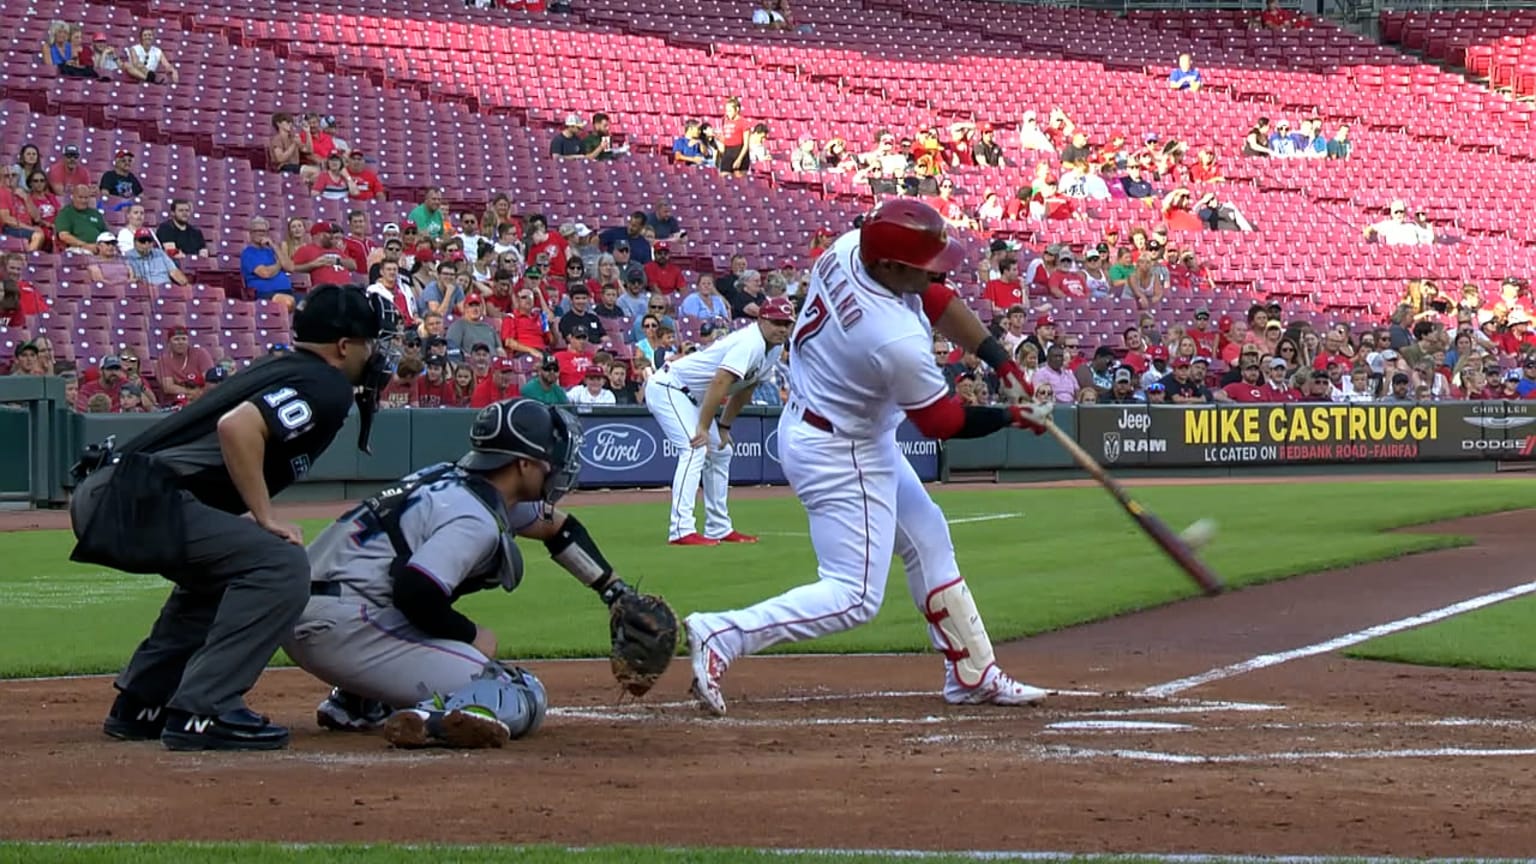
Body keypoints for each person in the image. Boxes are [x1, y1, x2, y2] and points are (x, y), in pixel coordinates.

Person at [684, 199, 1053, 715]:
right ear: (890, 266)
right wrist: (1017, 417)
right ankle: (721, 633)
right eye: (919, 266)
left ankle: (971, 673)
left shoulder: (849, 249)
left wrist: (1003, 364)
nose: (931, 274)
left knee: (928, 537)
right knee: (854, 596)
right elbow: (940, 423)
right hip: (841, 450)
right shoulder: (891, 338)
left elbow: (936, 296)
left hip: (840, 427)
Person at [68, 285, 400, 752]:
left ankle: (145, 702)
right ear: (344, 346)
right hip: (137, 497)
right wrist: (265, 516)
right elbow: (238, 427)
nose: (377, 354)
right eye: (371, 342)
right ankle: (205, 709)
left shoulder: (286, 366)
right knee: (279, 564)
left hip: (119, 490)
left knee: (226, 571)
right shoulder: (326, 383)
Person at [284, 399, 674, 749]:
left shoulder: (454, 480)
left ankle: (358, 700)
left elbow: (557, 527)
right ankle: (428, 720)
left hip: (313, 613)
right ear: (522, 464)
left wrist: (613, 591)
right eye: (548, 459)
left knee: (426, 585)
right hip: (344, 629)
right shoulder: (474, 518)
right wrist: (471, 635)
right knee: (516, 692)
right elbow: (415, 590)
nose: (557, 467)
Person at [644, 294, 796, 546]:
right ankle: (681, 529)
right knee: (694, 449)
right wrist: (703, 427)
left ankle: (717, 526)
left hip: (692, 396)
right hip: (670, 387)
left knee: (721, 452)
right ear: (761, 320)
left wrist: (724, 427)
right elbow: (720, 382)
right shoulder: (750, 342)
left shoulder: (775, 348)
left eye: (786, 323)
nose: (781, 328)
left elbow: (746, 388)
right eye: (775, 322)